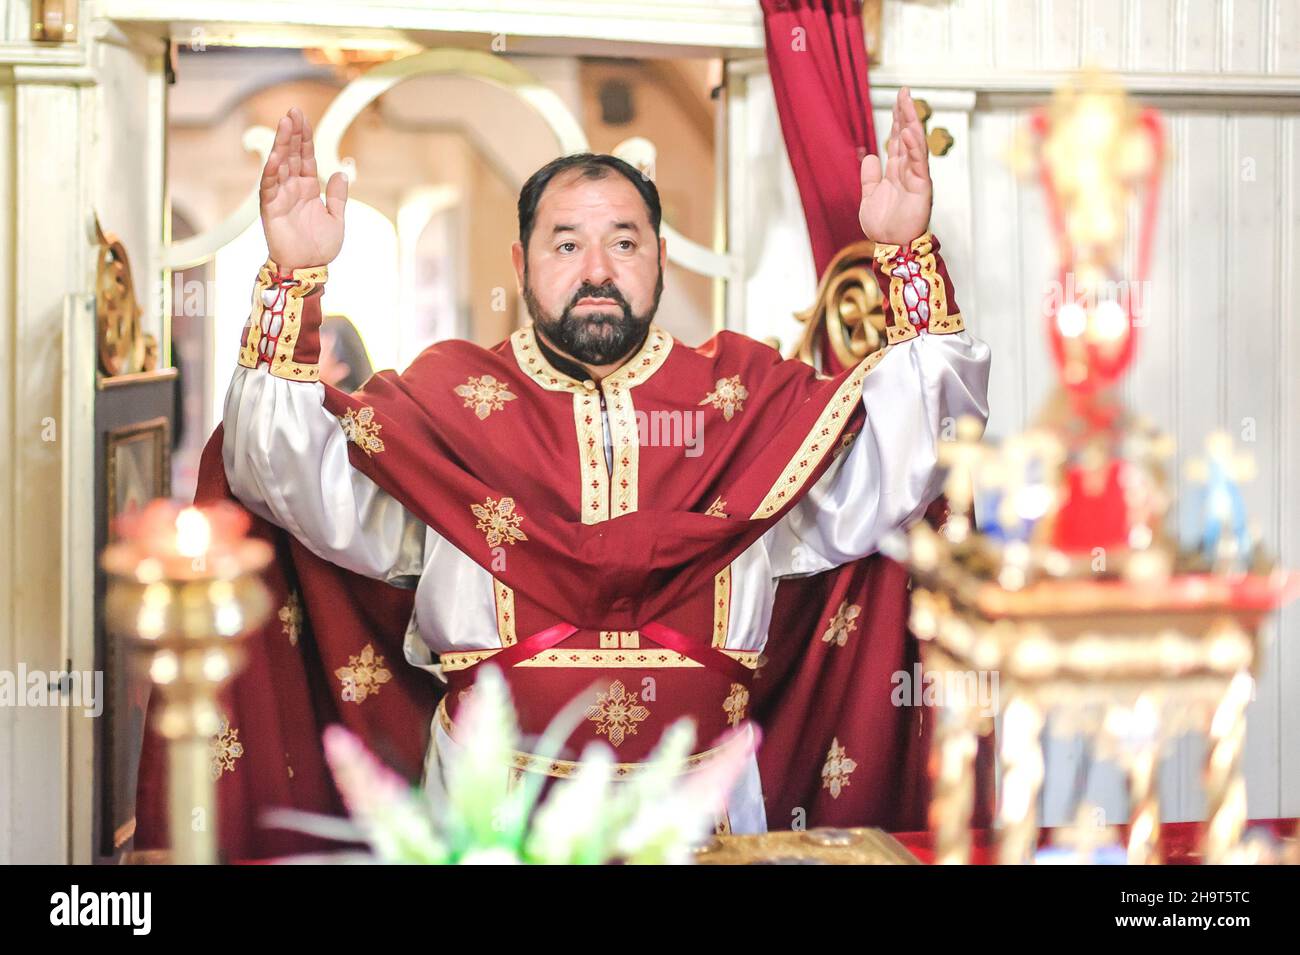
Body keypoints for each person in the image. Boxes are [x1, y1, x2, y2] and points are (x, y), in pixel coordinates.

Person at [221, 90, 989, 835]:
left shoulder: (745, 401)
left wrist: (906, 255)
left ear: (658, 256)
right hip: (492, 814)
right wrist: (293, 279)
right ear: (520, 262)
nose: (597, 269)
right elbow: (280, 474)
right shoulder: (447, 402)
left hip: (703, 814)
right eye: (566, 244)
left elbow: (915, 454)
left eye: (624, 242)